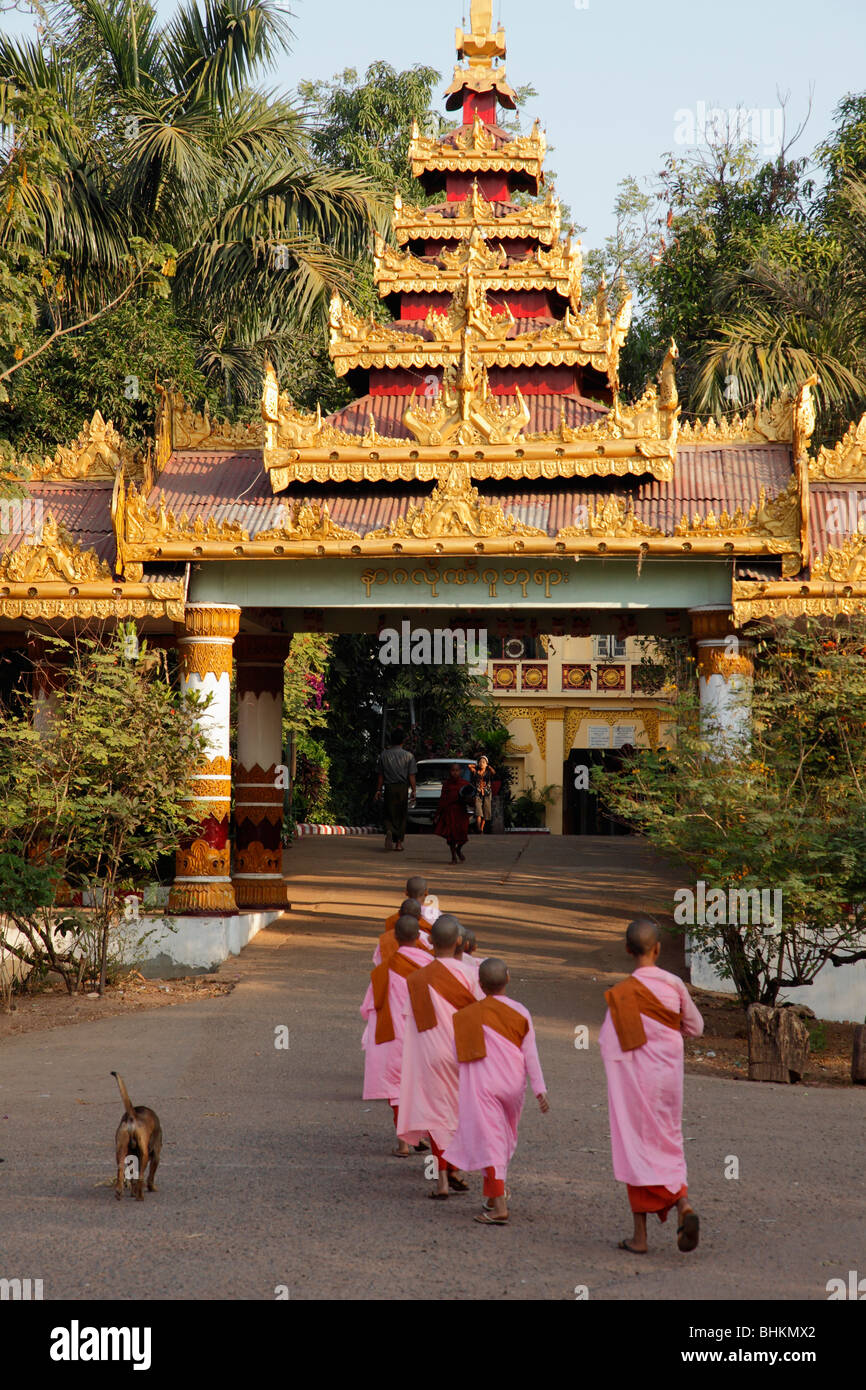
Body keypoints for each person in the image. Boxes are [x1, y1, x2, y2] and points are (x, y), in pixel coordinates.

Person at [599, 915, 704, 1255]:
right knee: (670, 1139)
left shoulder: (622, 994)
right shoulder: (674, 984)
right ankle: (683, 1204)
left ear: (628, 950)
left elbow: (607, 1043)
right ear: (658, 949)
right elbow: (695, 1026)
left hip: (637, 1083)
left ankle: (640, 1238)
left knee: (636, 1143)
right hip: (669, 1078)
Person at [444, 957, 549, 1226]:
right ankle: (494, 1194)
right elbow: (531, 1055)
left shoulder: (468, 1015)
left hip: (484, 1086)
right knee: (502, 1137)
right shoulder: (521, 1011)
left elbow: (459, 1056)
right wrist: (540, 1089)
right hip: (513, 1087)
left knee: (491, 1142)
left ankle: (499, 1206)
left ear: (479, 984)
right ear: (508, 979)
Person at [397, 914, 483, 1197]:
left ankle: (443, 1181)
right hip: (465, 1051)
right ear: (459, 942)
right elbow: (484, 1015)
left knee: (437, 1113)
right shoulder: (473, 975)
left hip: (432, 1053)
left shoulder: (418, 978)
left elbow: (414, 1022)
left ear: (430, 941)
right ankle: (457, 1166)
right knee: (461, 1110)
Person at [361, 915, 432, 1155]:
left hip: (394, 1037)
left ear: (396, 937)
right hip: (425, 1037)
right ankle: (423, 1135)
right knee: (423, 1087)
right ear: (419, 937)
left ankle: (404, 1143)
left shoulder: (384, 971)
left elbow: (368, 1008)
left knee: (397, 1090)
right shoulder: (431, 967)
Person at [374, 728, 417, 852]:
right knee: (401, 814)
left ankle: (389, 830)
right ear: (403, 740)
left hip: (389, 787)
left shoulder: (384, 755)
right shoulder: (408, 756)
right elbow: (411, 775)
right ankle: (398, 843)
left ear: (391, 740)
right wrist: (414, 790)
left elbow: (380, 775)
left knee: (389, 812)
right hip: (402, 787)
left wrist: (378, 790)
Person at [374, 898, 433, 965]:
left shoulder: (384, 940)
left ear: (399, 913)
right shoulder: (425, 939)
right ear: (420, 917)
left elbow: (378, 963)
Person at [434, 762, 471, 864]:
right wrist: (438, 814)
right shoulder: (446, 784)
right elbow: (442, 800)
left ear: (460, 771)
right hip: (450, 812)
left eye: (457, 770)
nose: (455, 773)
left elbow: (471, 798)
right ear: (450, 772)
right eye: (453, 770)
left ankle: (458, 849)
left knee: (463, 834)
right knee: (451, 836)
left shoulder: (465, 784)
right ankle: (453, 856)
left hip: (461, 812)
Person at [471, 754, 495, 835]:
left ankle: (481, 829)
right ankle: (478, 828)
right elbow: (469, 766)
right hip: (478, 793)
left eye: (483, 762)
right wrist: (476, 765)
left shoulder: (488, 772)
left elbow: (494, 772)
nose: (481, 763)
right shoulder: (476, 772)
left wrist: (489, 767)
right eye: (480, 762)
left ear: (486, 764)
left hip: (487, 794)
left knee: (485, 812)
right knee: (478, 812)